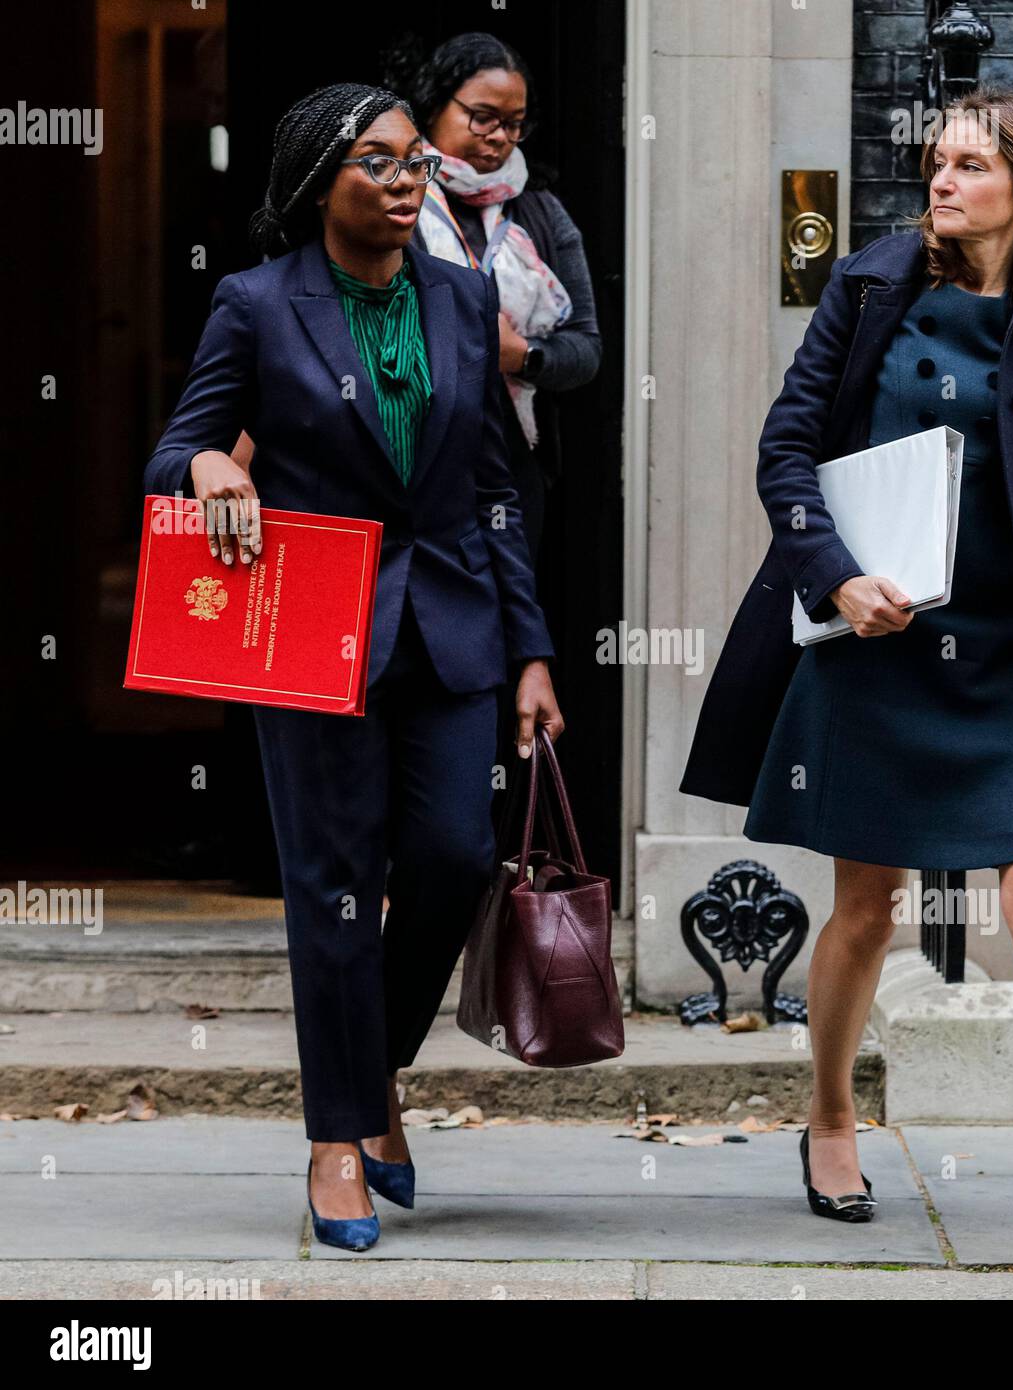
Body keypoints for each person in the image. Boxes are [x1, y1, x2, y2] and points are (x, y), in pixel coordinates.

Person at [680, 86, 1013, 1265]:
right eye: (936, 161)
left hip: (1007, 649)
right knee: (867, 908)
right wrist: (833, 578)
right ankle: (831, 1113)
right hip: (877, 641)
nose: (941, 180)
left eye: (969, 165)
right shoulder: (871, 285)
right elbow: (786, 447)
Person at [143, 82, 564, 1252]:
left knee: (453, 852)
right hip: (312, 633)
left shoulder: (463, 298)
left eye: (413, 164)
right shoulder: (258, 305)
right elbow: (176, 446)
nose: (400, 181)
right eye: (374, 163)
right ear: (318, 176)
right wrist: (211, 475)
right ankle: (339, 1135)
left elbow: (491, 488)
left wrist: (530, 649)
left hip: (452, 628)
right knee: (331, 882)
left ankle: (370, 1061)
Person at [381, 29, 602, 565]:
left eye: (514, 124)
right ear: (435, 104)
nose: (500, 136)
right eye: (482, 117)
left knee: (505, 626)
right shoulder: (388, 193)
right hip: (400, 455)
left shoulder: (541, 212)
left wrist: (522, 356)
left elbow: (587, 351)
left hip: (508, 464)